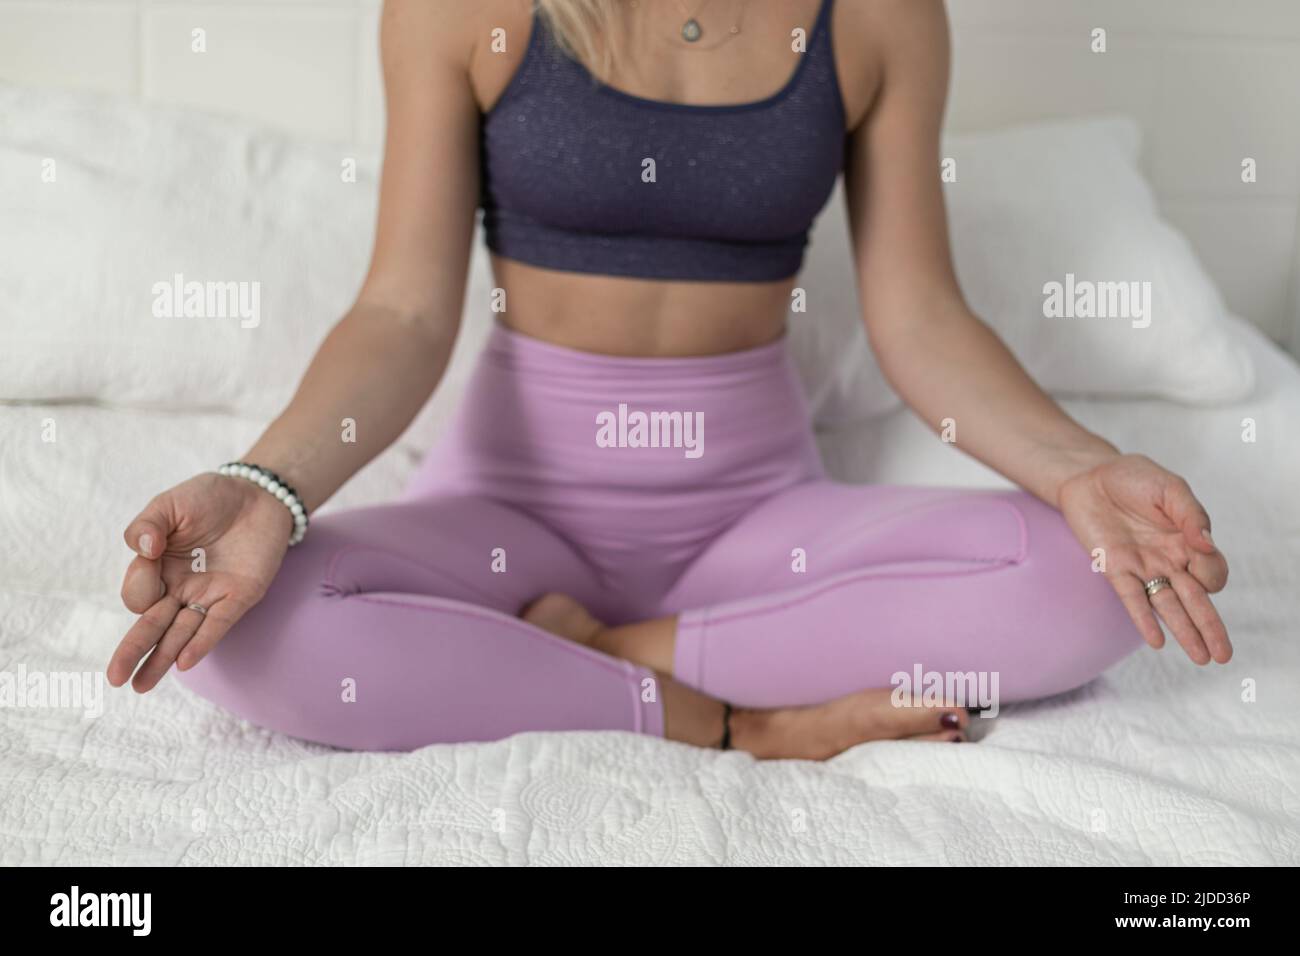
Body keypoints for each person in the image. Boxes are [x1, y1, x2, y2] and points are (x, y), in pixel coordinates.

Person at [109, 0, 1231, 759]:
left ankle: (603, 657)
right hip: (513, 518)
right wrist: (268, 487)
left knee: (1098, 579)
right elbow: (402, 312)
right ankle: (737, 723)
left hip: (755, 528)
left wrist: (1083, 470)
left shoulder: (883, 19)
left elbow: (922, 319)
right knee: (240, 622)